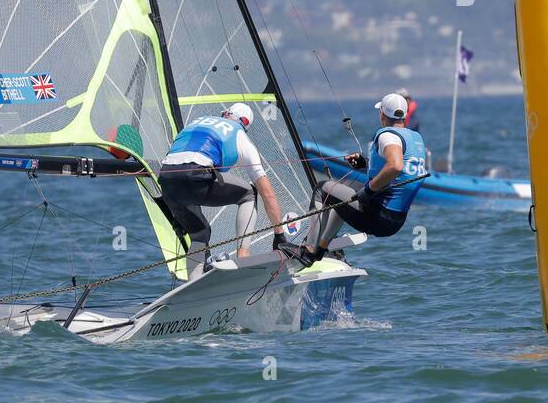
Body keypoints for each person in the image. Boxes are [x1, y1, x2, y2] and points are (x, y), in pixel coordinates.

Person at [290, 92, 428, 267]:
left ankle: (307, 250)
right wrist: (365, 164)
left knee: (322, 189)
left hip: (378, 216)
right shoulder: (416, 138)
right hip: (396, 222)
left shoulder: (387, 135)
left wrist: (369, 189)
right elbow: (402, 171)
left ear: (382, 114)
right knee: (340, 198)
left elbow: (395, 166)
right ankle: (321, 249)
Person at [158, 103, 286, 278]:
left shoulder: (197, 122)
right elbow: (268, 193)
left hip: (166, 180)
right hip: (195, 176)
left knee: (200, 233)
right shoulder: (239, 134)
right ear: (244, 123)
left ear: (226, 114)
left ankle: (193, 285)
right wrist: (279, 236)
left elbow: (178, 160)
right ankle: (243, 259)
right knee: (249, 194)